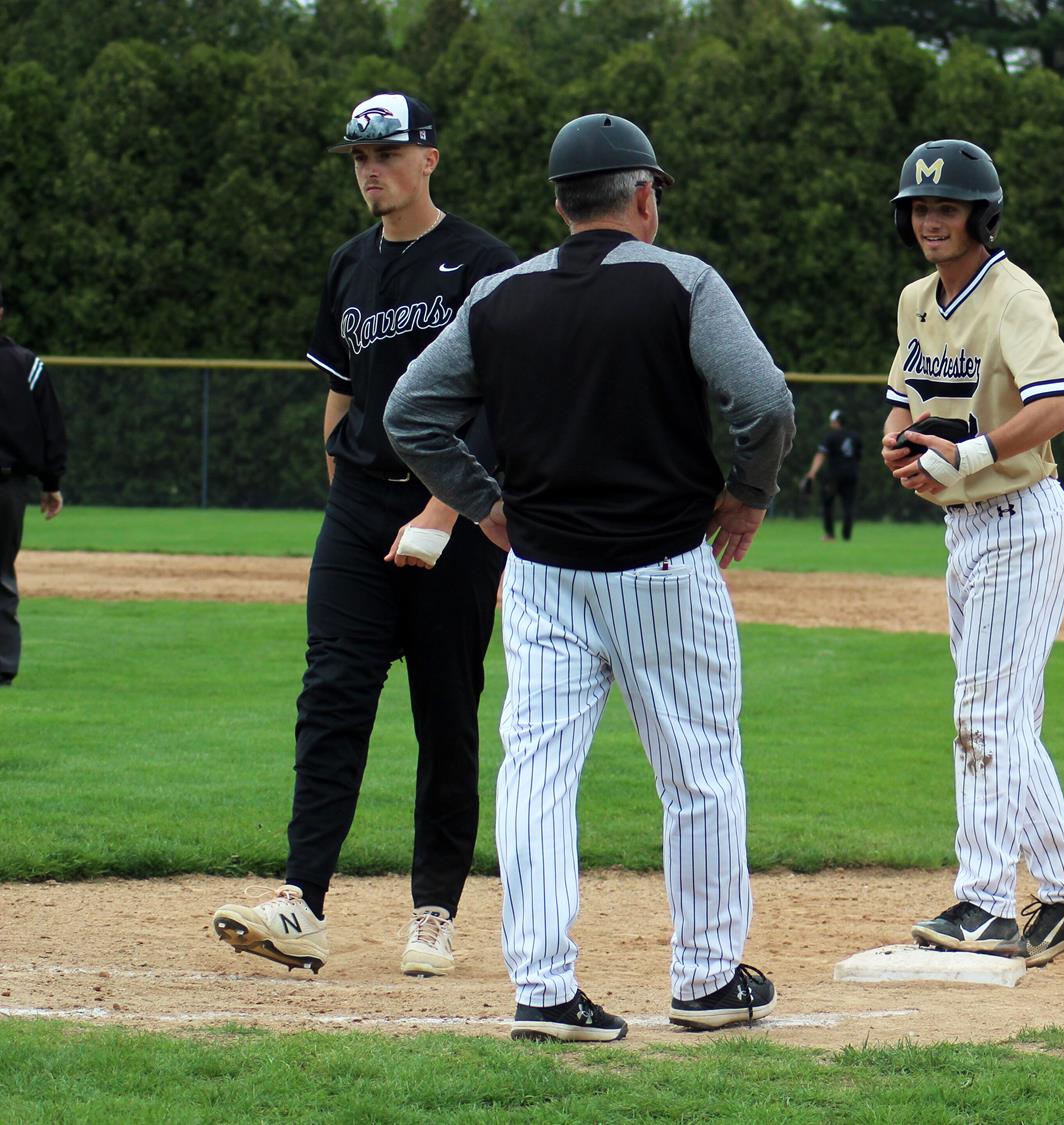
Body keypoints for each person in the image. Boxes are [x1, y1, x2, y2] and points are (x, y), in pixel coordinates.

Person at [385, 113, 795, 1042]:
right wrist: (748, 493)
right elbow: (764, 399)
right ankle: (704, 978)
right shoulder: (683, 280)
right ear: (643, 195)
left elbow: (411, 413)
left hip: (539, 571)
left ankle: (542, 988)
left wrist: (483, 501)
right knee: (698, 772)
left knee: (536, 776)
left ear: (561, 203)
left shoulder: (499, 294)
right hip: (662, 568)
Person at [212, 93, 517, 979]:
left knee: (444, 712)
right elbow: (340, 394)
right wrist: (347, 486)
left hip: (451, 515)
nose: (369, 170)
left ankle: (434, 911)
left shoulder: (481, 265)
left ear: (430, 158)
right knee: (333, 697)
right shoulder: (348, 265)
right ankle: (300, 900)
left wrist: (443, 508)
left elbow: (499, 406)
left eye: (385, 153)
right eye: (358, 157)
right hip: (358, 511)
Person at [881, 139, 1064, 967]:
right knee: (1004, 717)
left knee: (984, 713)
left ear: (980, 216)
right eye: (919, 207)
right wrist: (899, 447)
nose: (930, 221)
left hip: (1022, 518)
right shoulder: (917, 298)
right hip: (966, 528)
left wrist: (972, 453)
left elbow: (1063, 404)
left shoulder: (1014, 295)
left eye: (946, 208)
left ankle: (984, 904)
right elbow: (901, 397)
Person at [0, 277, 66, 688]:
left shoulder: (28, 364)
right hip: (8, 487)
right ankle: (3, 664)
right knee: (1, 575)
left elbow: (51, 428)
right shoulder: (26, 364)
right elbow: (51, 429)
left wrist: (50, 480)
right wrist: (50, 481)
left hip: (8, 485)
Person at [802, 408, 862, 541]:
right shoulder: (855, 437)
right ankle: (847, 536)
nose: (831, 424)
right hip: (851, 474)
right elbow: (858, 456)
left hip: (834, 476)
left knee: (828, 504)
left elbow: (820, 455)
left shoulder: (831, 437)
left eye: (832, 421)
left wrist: (812, 473)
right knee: (848, 505)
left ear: (836, 422)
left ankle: (830, 534)